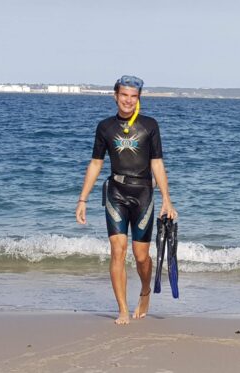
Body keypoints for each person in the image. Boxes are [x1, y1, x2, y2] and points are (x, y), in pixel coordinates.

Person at [75, 75, 178, 325]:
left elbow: (157, 163)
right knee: (117, 251)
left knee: (141, 256)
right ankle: (122, 309)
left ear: (138, 98)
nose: (128, 100)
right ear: (115, 96)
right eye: (124, 95)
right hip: (116, 193)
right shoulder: (105, 127)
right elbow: (96, 163)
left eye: (133, 96)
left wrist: (167, 199)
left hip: (143, 194)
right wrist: (82, 199)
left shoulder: (150, 125)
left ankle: (145, 291)